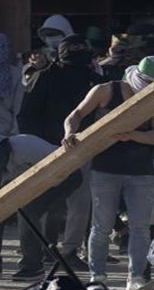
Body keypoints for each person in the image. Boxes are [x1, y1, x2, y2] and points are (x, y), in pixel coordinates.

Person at [64, 56, 154, 290]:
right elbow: (75, 114)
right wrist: (71, 133)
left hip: (141, 171)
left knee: (140, 227)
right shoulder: (106, 91)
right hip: (105, 168)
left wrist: (131, 135)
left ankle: (136, 277)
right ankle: (97, 276)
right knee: (101, 225)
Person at [19, 34, 106, 270]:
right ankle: (46, 249)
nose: (77, 53)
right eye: (72, 49)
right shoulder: (44, 77)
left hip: (84, 147)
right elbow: (27, 114)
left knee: (80, 202)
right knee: (47, 202)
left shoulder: (93, 80)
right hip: (47, 149)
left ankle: (69, 251)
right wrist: (37, 146)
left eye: (81, 48)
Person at [0, 125, 80, 281]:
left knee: (29, 211)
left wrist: (33, 192)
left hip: (64, 177)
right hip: (28, 189)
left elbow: (63, 163)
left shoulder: (25, 146)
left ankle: (33, 266)